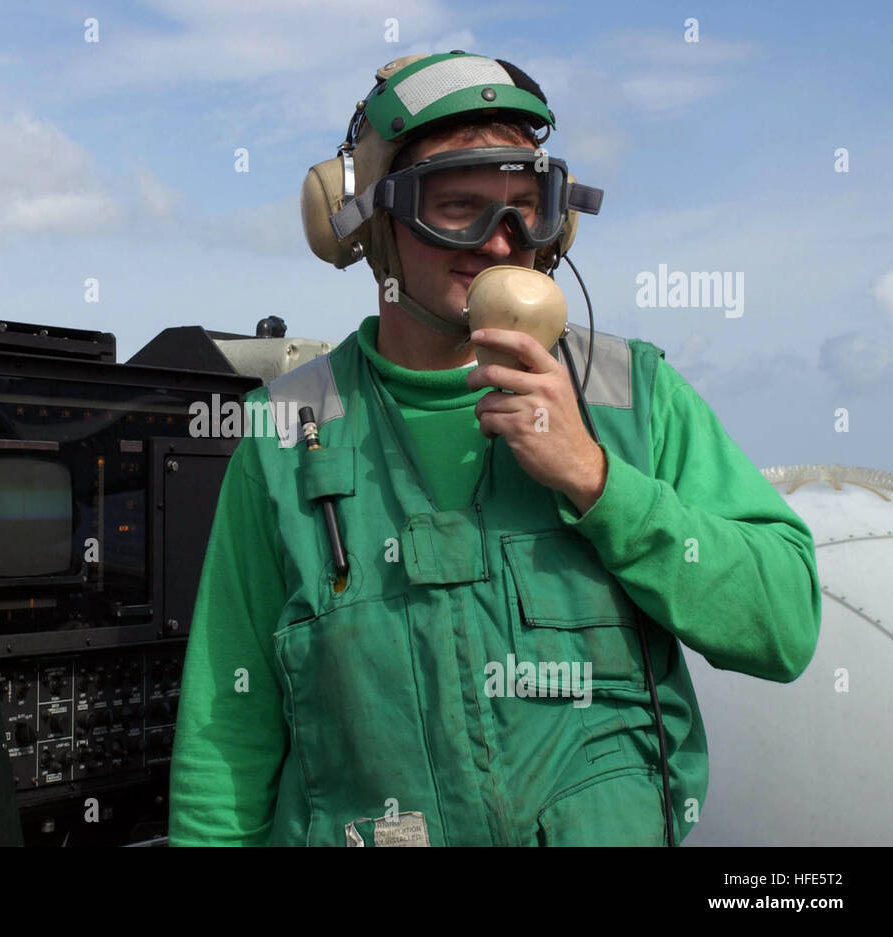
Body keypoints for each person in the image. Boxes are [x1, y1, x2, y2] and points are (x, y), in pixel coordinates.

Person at [167, 51, 822, 846]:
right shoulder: (283, 436)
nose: (501, 243)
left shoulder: (632, 396)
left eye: (526, 207)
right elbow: (224, 745)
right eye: (458, 207)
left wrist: (598, 480)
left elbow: (783, 625)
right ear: (377, 223)